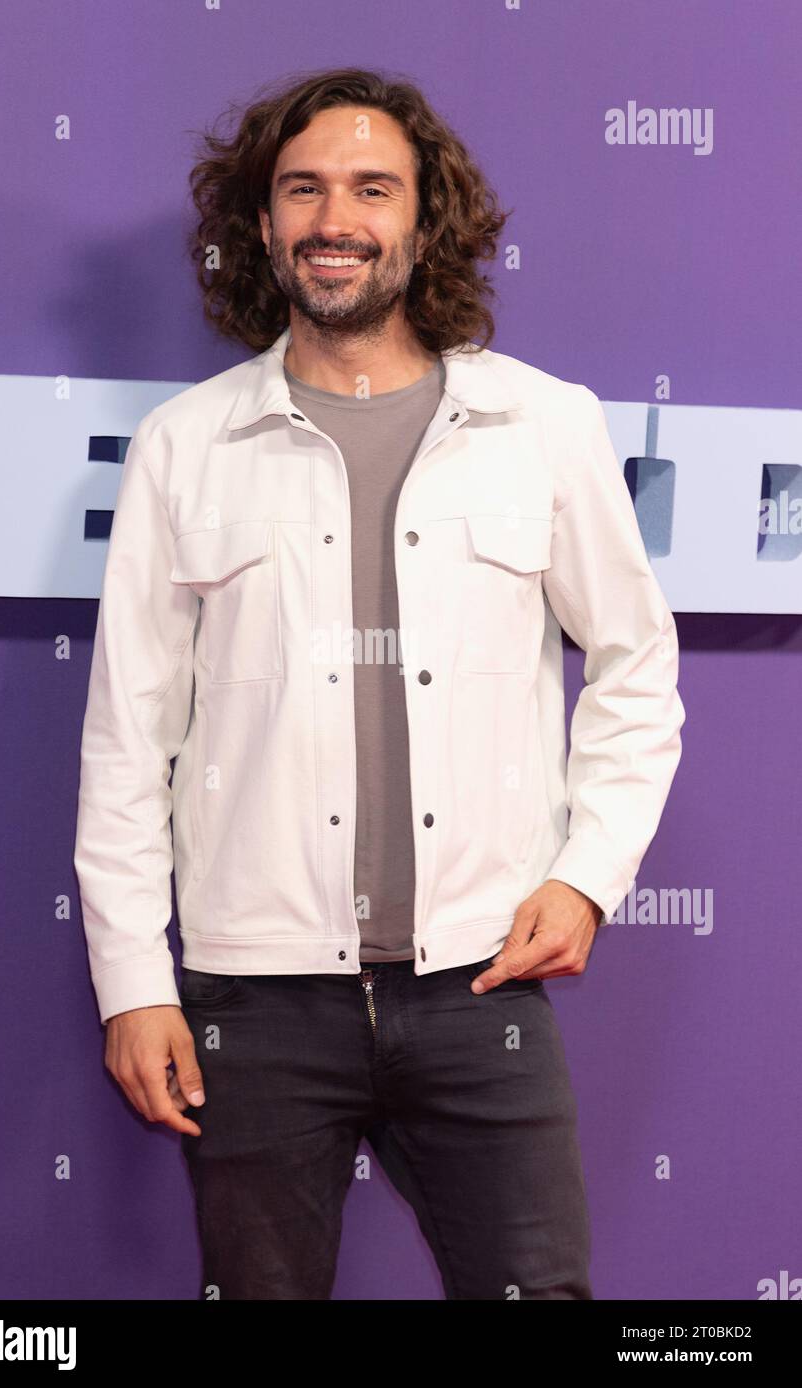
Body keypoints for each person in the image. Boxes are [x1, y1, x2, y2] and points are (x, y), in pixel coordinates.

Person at [73, 66, 685, 1300]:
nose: (332, 218)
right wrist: (134, 986)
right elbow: (129, 739)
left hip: (481, 993)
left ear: (423, 217)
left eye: (369, 188)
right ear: (261, 223)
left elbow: (635, 667)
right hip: (254, 1002)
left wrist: (586, 875)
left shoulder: (544, 426)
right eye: (301, 189)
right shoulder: (186, 447)